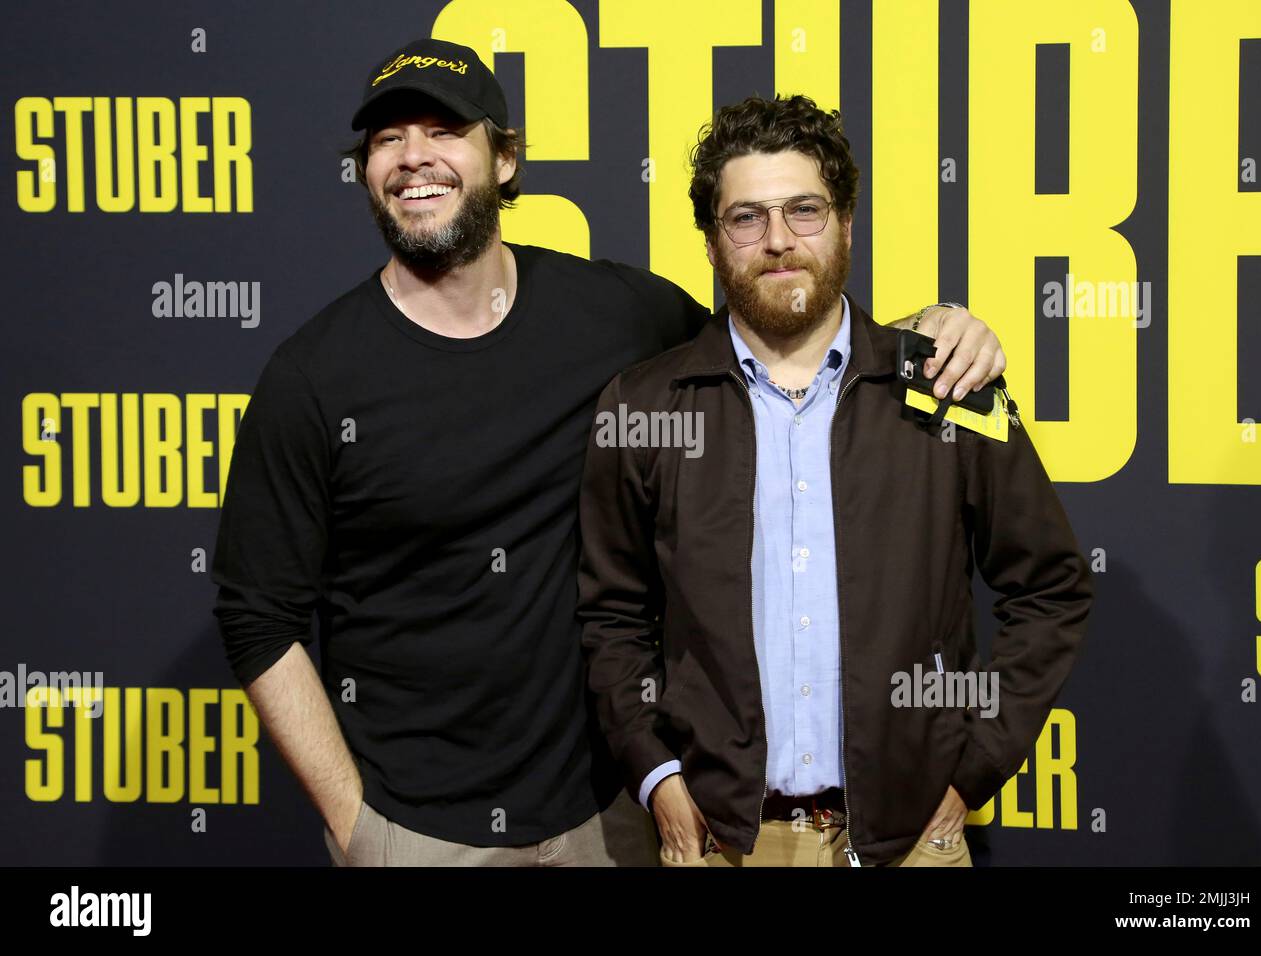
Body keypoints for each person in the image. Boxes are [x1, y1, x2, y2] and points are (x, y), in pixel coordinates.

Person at [212, 38, 1010, 867]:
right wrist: (357, 826)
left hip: (614, 815)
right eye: (388, 138)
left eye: (444, 131)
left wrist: (931, 328)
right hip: (416, 832)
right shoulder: (313, 378)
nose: (414, 156)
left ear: (505, 160)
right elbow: (256, 616)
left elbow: (780, 336)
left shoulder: (618, 315)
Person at [577, 93, 1092, 867]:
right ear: (712, 244)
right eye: (746, 217)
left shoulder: (947, 385)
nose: (778, 239)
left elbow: (1051, 589)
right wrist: (658, 779)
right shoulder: (645, 405)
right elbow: (612, 615)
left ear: (846, 223)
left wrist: (970, 772)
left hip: (911, 840)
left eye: (805, 210)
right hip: (720, 842)